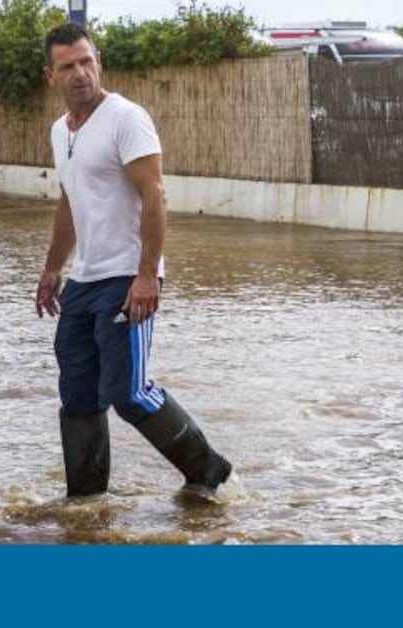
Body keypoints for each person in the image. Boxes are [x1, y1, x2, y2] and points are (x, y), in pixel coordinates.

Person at [34, 22, 232, 500]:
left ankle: (209, 474)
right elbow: (70, 200)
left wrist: (148, 276)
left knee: (128, 392)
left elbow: (155, 193)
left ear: (98, 62)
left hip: (128, 275)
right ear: (51, 76)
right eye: (68, 66)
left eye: (87, 61)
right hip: (84, 279)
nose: (81, 72)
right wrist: (52, 267)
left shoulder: (126, 118)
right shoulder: (61, 131)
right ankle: (85, 499)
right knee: (78, 394)